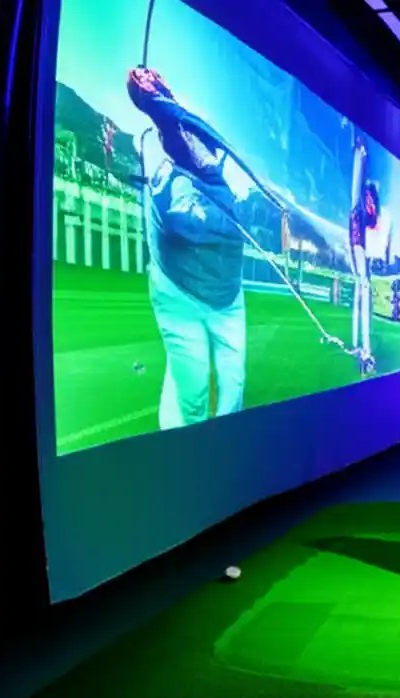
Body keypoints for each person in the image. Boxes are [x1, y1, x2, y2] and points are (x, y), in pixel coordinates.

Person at [128, 67, 247, 429]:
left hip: (226, 295)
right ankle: (186, 458)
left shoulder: (215, 180)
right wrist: (157, 106)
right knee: (191, 389)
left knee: (232, 381)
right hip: (179, 292)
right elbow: (183, 222)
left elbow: (195, 137)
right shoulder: (162, 169)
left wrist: (164, 104)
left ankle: (222, 452)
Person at [348, 137, 394, 375]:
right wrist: (360, 155)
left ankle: (362, 348)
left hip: (361, 239)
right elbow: (358, 190)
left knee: (362, 288)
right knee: (362, 288)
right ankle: (363, 349)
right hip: (359, 239)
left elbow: (372, 220)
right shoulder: (363, 202)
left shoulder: (369, 201)